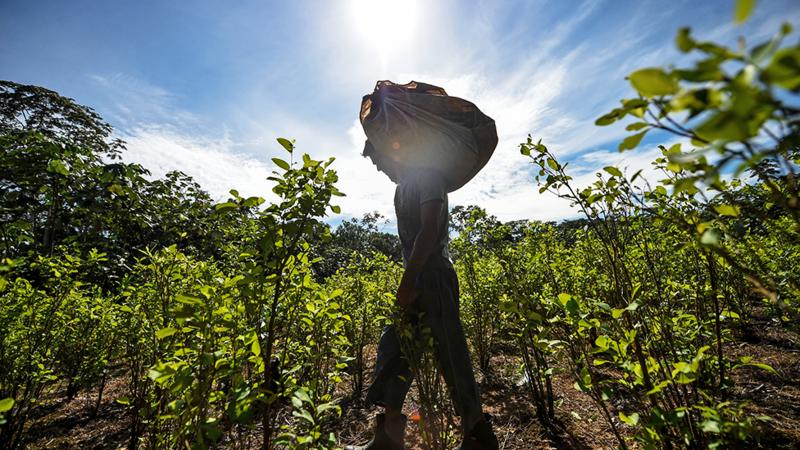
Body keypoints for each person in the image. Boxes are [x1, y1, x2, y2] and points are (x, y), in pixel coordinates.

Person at [345, 145, 498, 450]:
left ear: (394, 148)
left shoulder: (428, 175)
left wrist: (409, 279)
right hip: (415, 277)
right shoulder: (402, 188)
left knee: (450, 354)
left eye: (378, 158)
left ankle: (478, 435)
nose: (378, 167)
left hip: (433, 278)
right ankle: (389, 435)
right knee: (395, 346)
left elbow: (428, 230)